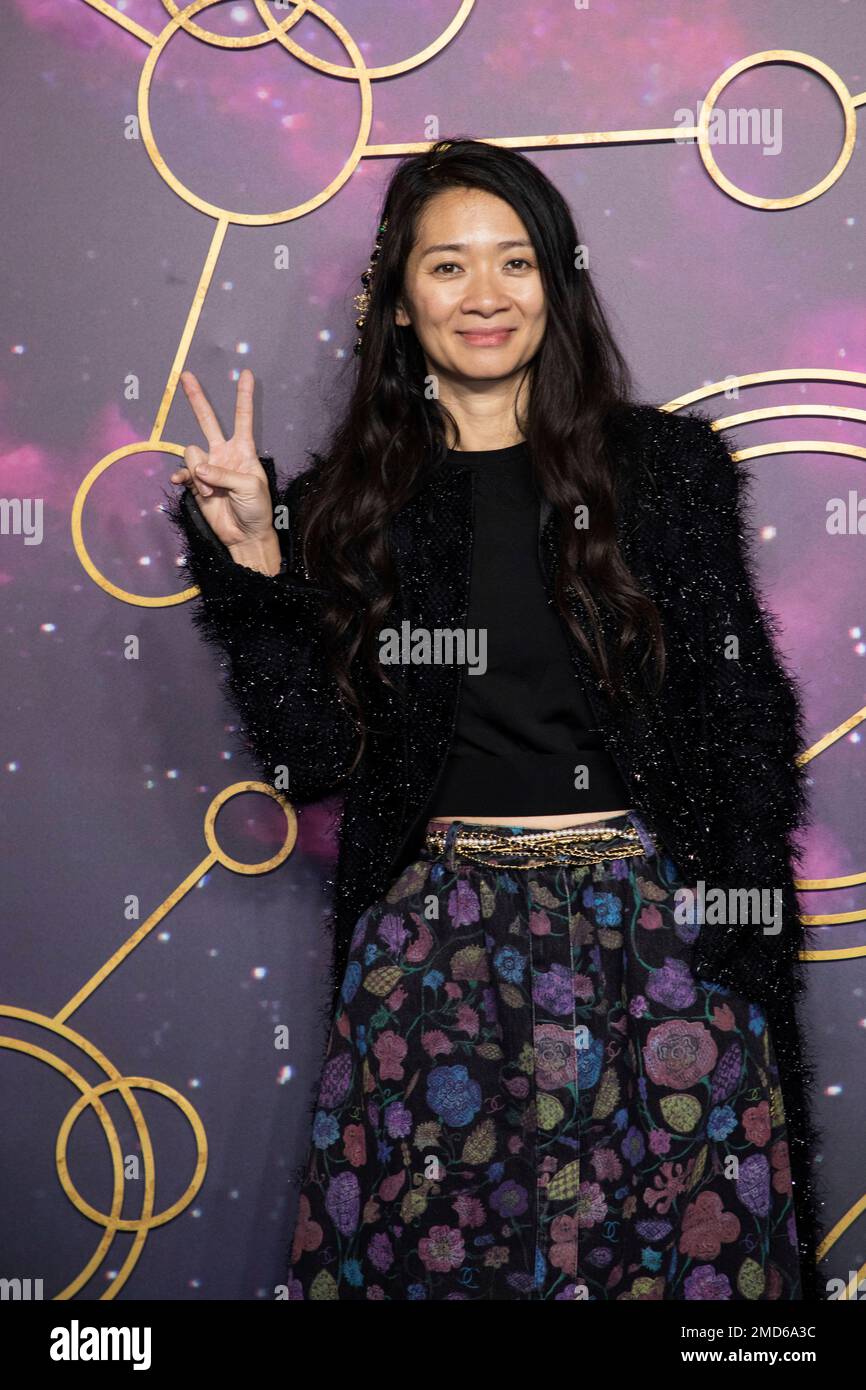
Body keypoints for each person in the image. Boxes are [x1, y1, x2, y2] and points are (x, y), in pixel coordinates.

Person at [165, 138, 825, 1301]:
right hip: (436, 955)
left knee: (685, 1271)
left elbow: (743, 717)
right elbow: (311, 758)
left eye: (514, 262)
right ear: (399, 301)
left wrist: (739, 922)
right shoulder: (346, 510)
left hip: (653, 945)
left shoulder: (659, 468)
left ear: (555, 282)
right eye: (447, 266)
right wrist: (260, 565)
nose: (483, 296)